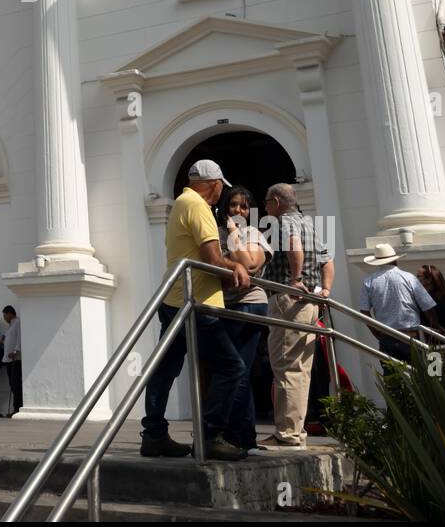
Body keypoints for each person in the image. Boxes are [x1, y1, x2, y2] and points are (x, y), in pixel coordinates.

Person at [140, 160, 250, 461]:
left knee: (164, 371)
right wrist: (237, 266)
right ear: (213, 183)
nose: (221, 194)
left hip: (175, 299)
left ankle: (154, 435)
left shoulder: (179, 203)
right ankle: (210, 436)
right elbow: (212, 258)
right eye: (220, 188)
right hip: (197, 302)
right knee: (231, 368)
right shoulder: (198, 206)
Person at [260, 182, 333, 450]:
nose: (265, 207)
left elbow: (293, 245)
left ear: (276, 202)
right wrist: (325, 290)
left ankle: (287, 434)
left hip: (289, 300)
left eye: (267, 202)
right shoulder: (311, 224)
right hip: (311, 302)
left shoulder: (284, 223)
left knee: (285, 366)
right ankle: (295, 431)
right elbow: (328, 261)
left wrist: (295, 278)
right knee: (301, 368)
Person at [219, 186, 271, 452]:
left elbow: (249, 265)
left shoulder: (252, 233)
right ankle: (243, 436)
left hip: (249, 305)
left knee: (237, 370)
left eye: (242, 206)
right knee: (236, 371)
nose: (237, 211)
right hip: (223, 307)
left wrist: (233, 234)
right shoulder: (215, 236)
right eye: (232, 205)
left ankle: (237, 436)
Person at [358, 244, 437, 361]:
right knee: (418, 375)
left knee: (392, 376)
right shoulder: (409, 277)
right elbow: (427, 306)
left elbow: (364, 311)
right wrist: (435, 327)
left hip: (386, 336)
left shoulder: (369, 281)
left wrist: (376, 332)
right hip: (411, 336)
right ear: (395, 260)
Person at [416, 264, 445, 335]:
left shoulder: (427, 299)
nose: (416, 280)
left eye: (418, 276)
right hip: (442, 339)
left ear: (429, 279)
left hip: (431, 340)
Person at [1, 305, 22, 417]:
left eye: (5, 315)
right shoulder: (10, 326)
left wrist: (15, 351)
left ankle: (17, 408)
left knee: (15, 384)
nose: (4, 318)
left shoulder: (17, 322)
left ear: (10, 313)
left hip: (15, 358)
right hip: (9, 360)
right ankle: (16, 408)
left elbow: (19, 337)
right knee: (12, 384)